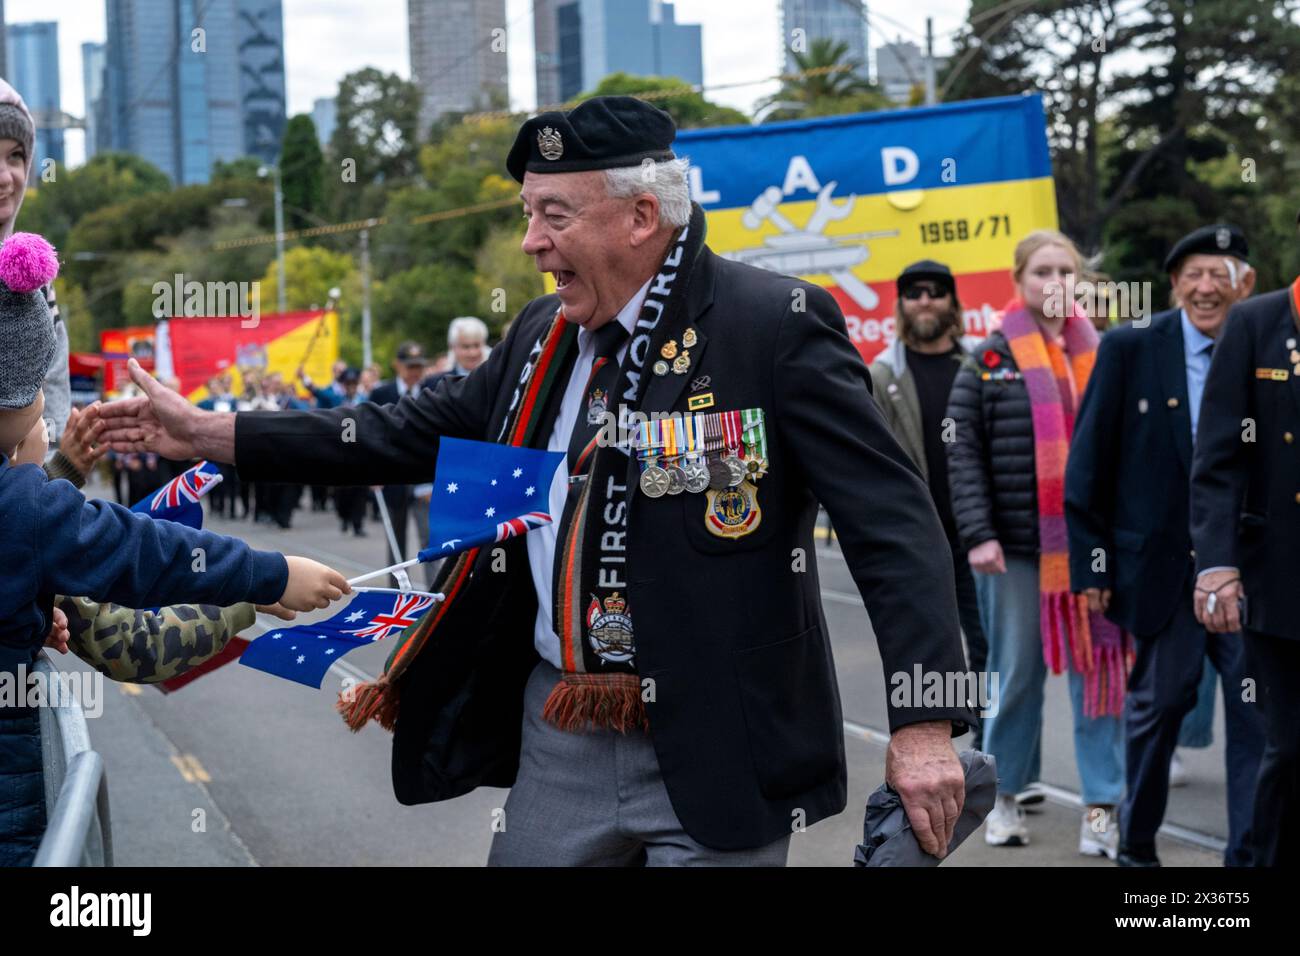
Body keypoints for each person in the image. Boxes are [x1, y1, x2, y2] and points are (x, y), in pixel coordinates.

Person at [98, 95, 975, 867]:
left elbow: (892, 523)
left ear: (640, 216)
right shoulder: (541, 333)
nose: (531, 242)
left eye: (553, 214)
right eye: (528, 213)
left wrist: (925, 725)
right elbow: (404, 427)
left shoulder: (770, 325)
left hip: (723, 739)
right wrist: (212, 431)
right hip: (559, 733)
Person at [0, 248, 350, 865]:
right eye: (42, 404)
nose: (51, 421)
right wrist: (268, 576)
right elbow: (140, 556)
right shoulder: (23, 507)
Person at [1066, 223, 1265, 867]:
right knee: (1159, 710)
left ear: (1246, 284)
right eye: (1194, 273)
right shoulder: (1129, 347)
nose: (1207, 287)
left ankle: (1250, 857)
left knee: (1258, 717)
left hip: (1250, 572)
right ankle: (1138, 848)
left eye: (1221, 273)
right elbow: (1088, 461)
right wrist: (1091, 560)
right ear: (1174, 282)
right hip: (1161, 573)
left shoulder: (1269, 345)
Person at [947, 229, 1127, 856]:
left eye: (1065, 271)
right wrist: (978, 535)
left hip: (1095, 550)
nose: (1055, 283)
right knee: (1015, 673)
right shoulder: (990, 359)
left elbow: (1127, 452)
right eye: (1042, 272)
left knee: (1100, 672)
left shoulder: (1106, 354)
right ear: (1019, 281)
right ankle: (1002, 797)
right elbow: (961, 450)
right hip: (1017, 549)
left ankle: (1102, 809)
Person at [1190, 233, 1300, 867]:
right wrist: (1217, 564)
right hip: (1277, 582)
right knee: (1286, 747)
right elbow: (1217, 461)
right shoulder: (1256, 323)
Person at [870, 260, 988, 751]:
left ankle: (987, 741)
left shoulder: (980, 365)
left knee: (986, 644)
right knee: (931, 649)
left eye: (936, 292)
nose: (924, 300)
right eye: (914, 293)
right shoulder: (880, 373)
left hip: (976, 534)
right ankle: (933, 746)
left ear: (954, 305)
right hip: (919, 539)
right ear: (900, 305)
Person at [371, 343, 433, 585]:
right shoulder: (381, 394)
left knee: (430, 540)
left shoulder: (433, 389)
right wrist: (372, 471)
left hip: (424, 479)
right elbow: (372, 434)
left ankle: (434, 592)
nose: (415, 372)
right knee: (396, 541)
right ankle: (397, 592)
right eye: (410, 366)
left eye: (419, 366)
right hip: (393, 477)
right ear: (398, 365)